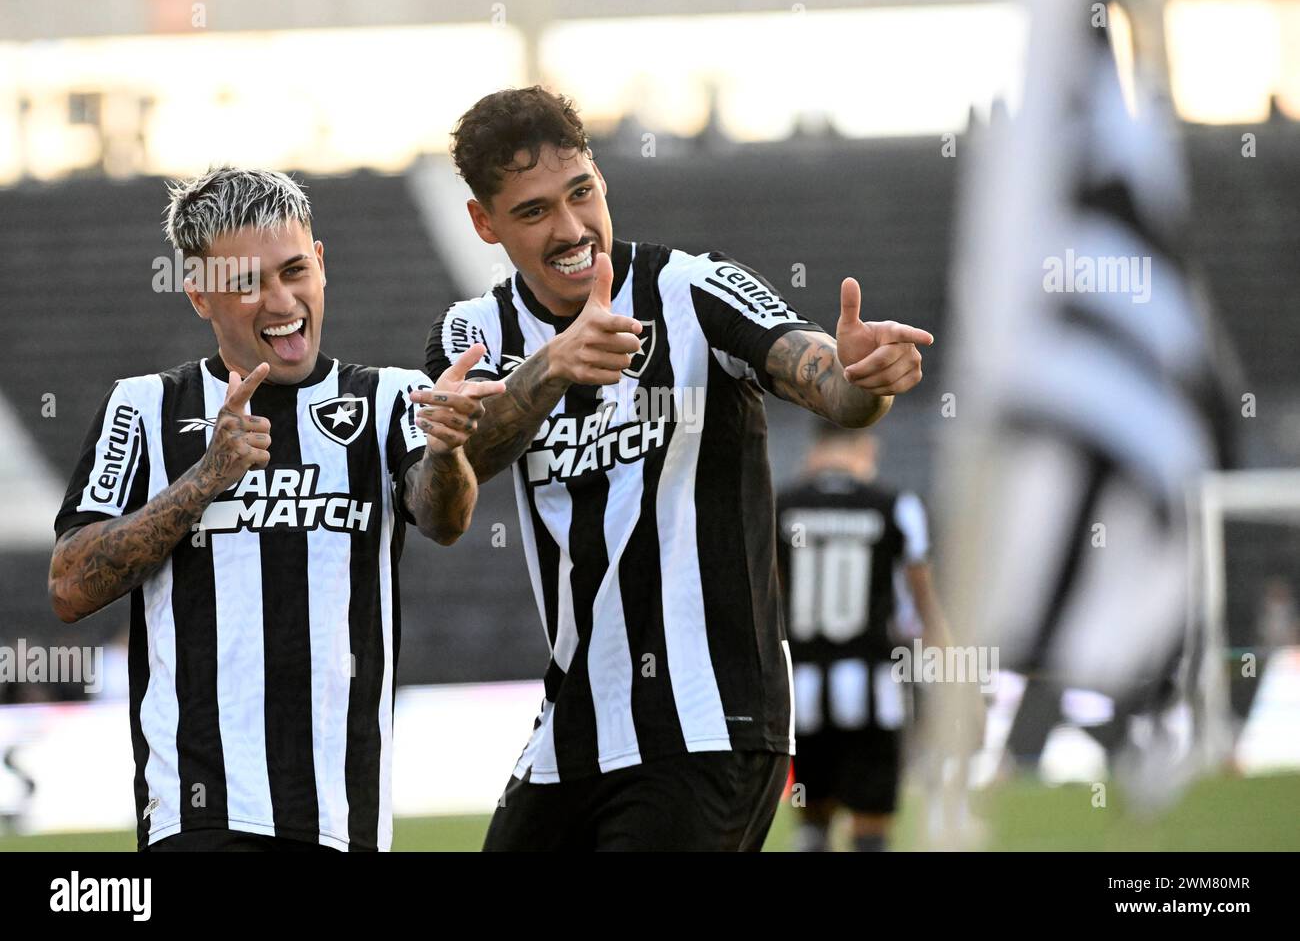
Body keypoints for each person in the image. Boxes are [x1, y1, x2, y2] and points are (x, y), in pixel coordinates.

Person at [425, 87, 932, 850]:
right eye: (533, 212)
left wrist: (862, 380)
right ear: (483, 223)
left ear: (601, 179)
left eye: (581, 193)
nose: (571, 230)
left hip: (710, 722)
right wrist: (553, 368)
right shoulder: (473, 332)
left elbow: (824, 381)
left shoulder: (689, 289)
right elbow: (451, 489)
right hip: (571, 734)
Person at [47, 167, 503, 851]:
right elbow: (70, 585)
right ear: (199, 295)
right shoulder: (143, 408)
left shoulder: (392, 399)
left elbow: (444, 518)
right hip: (199, 812)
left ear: (320, 263)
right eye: (246, 283)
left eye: (294, 270)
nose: (280, 299)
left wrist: (445, 452)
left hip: (343, 816)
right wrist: (205, 479)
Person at [775, 423, 943, 851]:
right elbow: (923, 602)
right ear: (867, 448)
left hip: (802, 687)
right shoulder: (894, 505)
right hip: (873, 685)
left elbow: (764, 595)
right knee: (871, 826)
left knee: (813, 822)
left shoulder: (782, 505)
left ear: (815, 449)